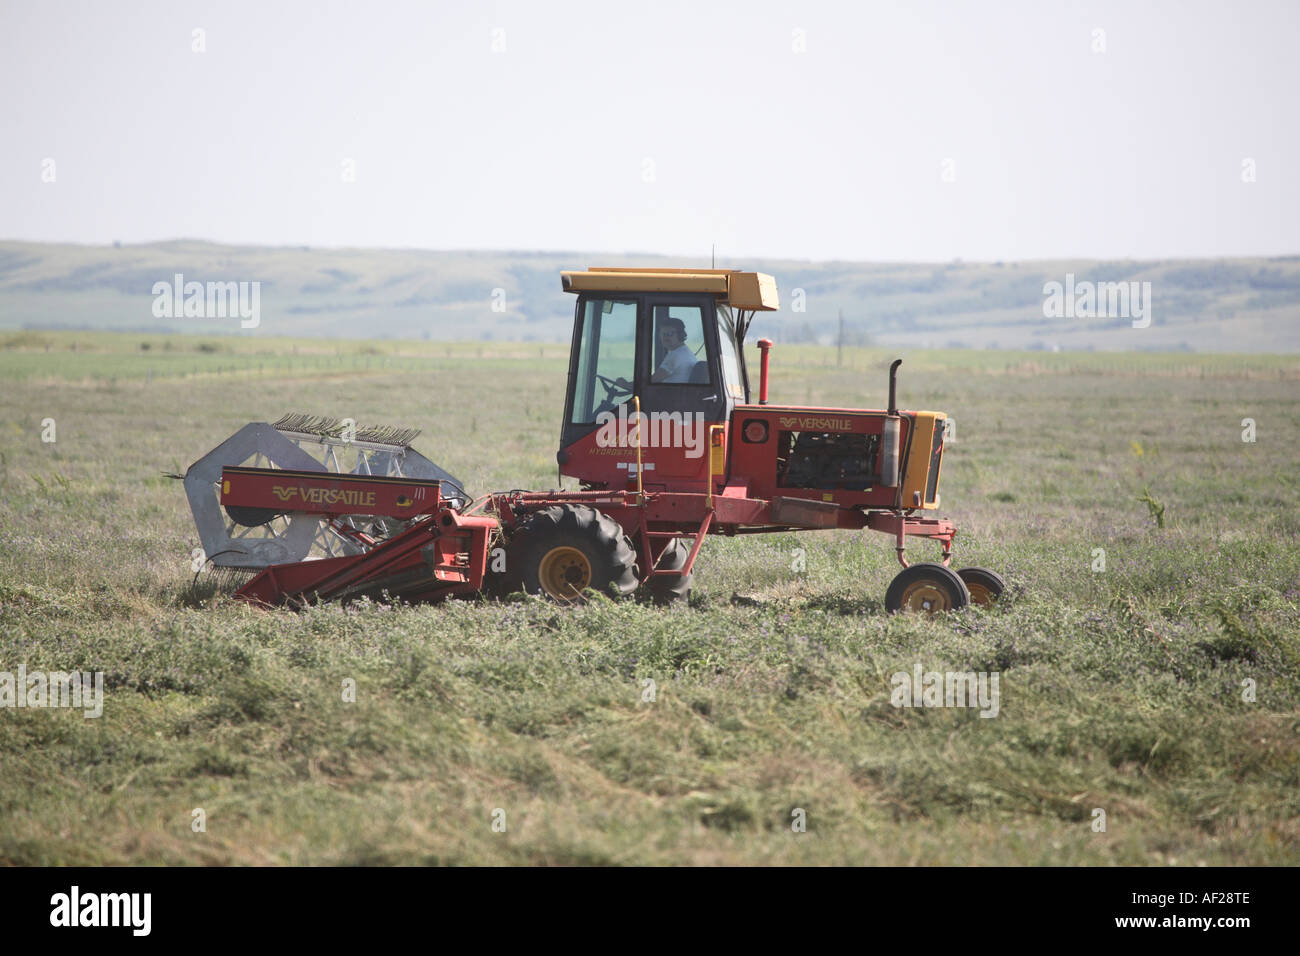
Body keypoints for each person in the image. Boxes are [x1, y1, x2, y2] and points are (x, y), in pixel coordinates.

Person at [616, 317, 697, 389]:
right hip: (671, 398)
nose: (665, 338)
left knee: (623, 406)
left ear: (680, 334)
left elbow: (652, 380)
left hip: (669, 402)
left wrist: (626, 385)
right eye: (663, 334)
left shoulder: (676, 355)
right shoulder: (685, 352)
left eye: (669, 334)